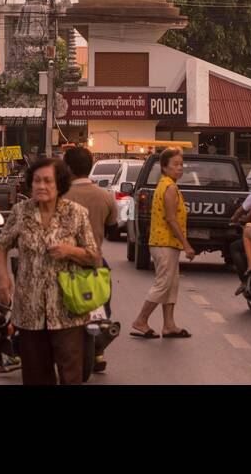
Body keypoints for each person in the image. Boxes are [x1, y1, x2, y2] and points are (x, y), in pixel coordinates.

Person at [0, 158, 100, 385]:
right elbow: (1, 245)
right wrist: (3, 280)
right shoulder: (21, 212)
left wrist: (70, 251)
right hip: (29, 310)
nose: (41, 186)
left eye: (47, 181)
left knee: (71, 377)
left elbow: (94, 256)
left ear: (59, 184)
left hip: (67, 311)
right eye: (37, 181)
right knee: (35, 377)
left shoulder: (76, 213)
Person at [62, 145, 118, 374]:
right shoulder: (105, 197)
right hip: (95, 264)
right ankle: (98, 351)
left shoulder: (61, 196)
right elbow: (113, 227)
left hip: (65, 265)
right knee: (102, 309)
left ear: (67, 168)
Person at [131, 147, 194, 339]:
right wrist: (187, 244)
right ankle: (141, 320)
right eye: (175, 164)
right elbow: (171, 218)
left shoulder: (167, 184)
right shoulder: (169, 188)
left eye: (181, 164)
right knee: (163, 284)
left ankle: (169, 325)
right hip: (164, 242)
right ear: (164, 167)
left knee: (171, 284)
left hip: (167, 243)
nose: (180, 168)